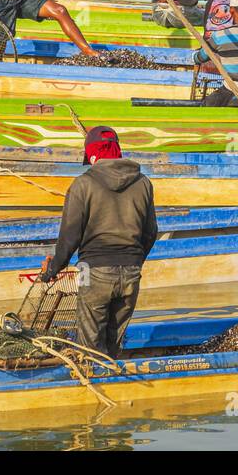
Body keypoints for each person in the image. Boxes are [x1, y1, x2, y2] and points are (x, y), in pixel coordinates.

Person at [38, 127, 157, 356]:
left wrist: (52, 269)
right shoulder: (143, 183)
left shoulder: (83, 184)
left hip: (92, 271)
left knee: (90, 351)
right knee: (113, 346)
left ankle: (91, 385)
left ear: (92, 154)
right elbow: (150, 232)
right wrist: (133, 261)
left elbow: (70, 236)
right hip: (131, 272)